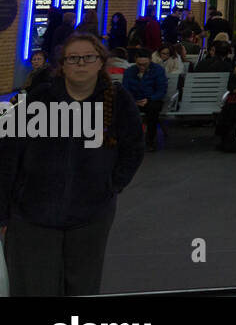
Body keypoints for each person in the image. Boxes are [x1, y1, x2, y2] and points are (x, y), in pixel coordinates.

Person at [0, 33, 144, 296]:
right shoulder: (38, 100)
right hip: (32, 216)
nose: (81, 64)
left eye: (88, 57)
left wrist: (112, 184)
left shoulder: (118, 100)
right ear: (62, 64)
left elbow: (134, 148)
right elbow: (8, 155)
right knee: (33, 287)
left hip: (89, 217)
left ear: (101, 62)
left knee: (82, 287)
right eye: (73, 58)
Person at [122, 49, 168, 152]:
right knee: (124, 110)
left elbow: (161, 90)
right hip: (134, 99)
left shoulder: (158, 70)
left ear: (150, 60)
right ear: (135, 61)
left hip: (152, 99)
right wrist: (133, 100)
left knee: (153, 110)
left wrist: (149, 99)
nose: (142, 67)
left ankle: (150, 140)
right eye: (139, 64)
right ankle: (128, 140)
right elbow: (125, 89)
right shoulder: (130, 71)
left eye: (145, 64)